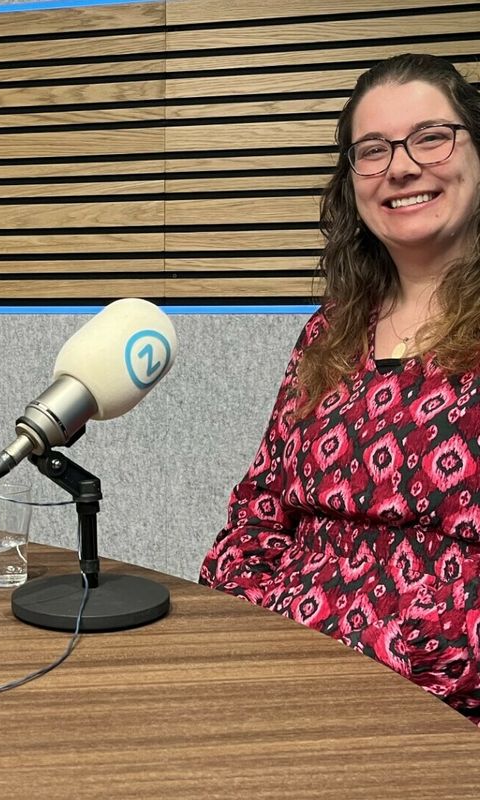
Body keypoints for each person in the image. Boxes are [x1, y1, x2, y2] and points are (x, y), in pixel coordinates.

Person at [200, 53, 480, 724]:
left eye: (431, 137)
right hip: (283, 672)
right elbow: (259, 512)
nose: (403, 167)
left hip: (435, 706)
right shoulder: (330, 331)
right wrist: (255, 631)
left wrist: (376, 659)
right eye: (373, 150)